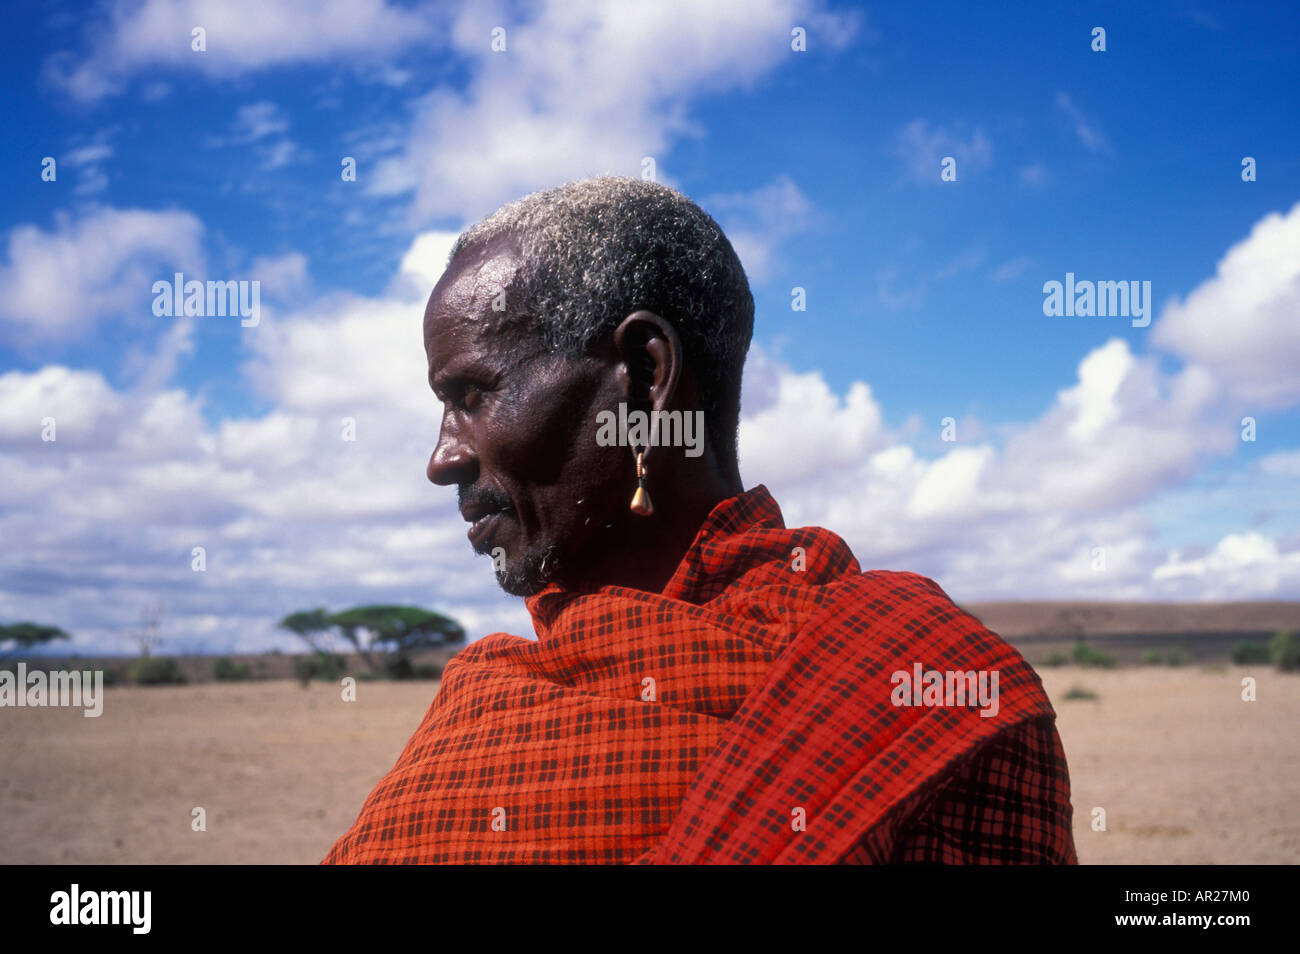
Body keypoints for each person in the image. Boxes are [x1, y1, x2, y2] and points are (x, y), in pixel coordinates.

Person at [323, 176, 1078, 864]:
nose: (442, 458)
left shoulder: (932, 684)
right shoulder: (483, 704)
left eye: (473, 396)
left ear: (646, 376)